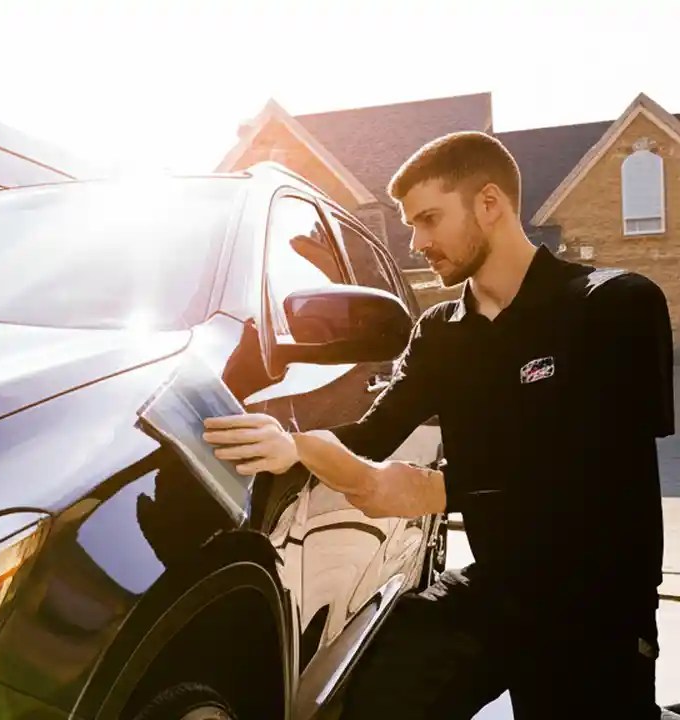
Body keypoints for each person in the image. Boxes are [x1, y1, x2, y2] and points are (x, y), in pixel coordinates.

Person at [203, 131, 675, 719]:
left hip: (596, 604)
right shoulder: (442, 333)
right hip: (499, 588)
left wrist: (441, 489)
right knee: (381, 692)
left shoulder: (614, 305)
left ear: (489, 203)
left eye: (429, 219)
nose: (418, 243)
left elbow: (596, 467)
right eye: (411, 225)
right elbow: (372, 435)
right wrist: (291, 444)